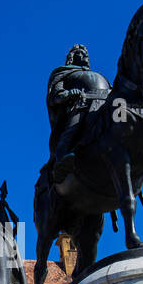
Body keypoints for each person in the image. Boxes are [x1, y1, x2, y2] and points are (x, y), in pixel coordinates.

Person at [46, 44, 110, 182]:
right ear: (72, 57)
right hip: (80, 107)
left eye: (86, 54)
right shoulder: (64, 73)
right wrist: (68, 94)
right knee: (70, 132)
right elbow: (55, 97)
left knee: (123, 123)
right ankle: (61, 162)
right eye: (80, 53)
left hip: (104, 106)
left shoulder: (99, 76)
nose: (85, 56)